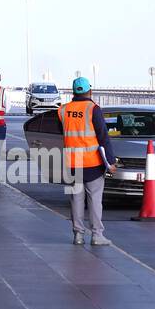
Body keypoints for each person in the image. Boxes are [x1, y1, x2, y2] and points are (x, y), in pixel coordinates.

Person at [59, 77, 116, 246]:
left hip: (72, 164)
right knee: (94, 200)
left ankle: (78, 235)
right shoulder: (93, 109)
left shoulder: (63, 110)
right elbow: (103, 137)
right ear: (89, 91)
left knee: (76, 200)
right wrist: (110, 162)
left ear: (74, 91)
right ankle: (97, 235)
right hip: (93, 164)